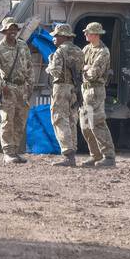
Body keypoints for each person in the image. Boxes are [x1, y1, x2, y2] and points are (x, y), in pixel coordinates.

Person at [0, 17, 32, 164]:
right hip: (8, 89)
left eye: (15, 29)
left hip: (22, 88)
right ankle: (8, 152)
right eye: (9, 29)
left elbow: (29, 67)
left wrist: (30, 85)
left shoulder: (23, 46)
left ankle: (15, 151)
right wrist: (2, 85)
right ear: (4, 31)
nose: (12, 32)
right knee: (7, 120)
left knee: (20, 120)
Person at [45, 23, 84, 166]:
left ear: (62, 37)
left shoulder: (60, 51)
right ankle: (72, 151)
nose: (54, 38)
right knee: (72, 119)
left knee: (59, 119)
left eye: (56, 36)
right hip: (74, 89)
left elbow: (55, 71)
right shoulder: (79, 51)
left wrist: (49, 65)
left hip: (61, 88)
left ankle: (68, 154)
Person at [80, 22, 116, 167]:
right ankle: (95, 155)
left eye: (88, 32)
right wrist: (85, 68)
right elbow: (79, 67)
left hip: (95, 91)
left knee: (97, 123)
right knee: (85, 126)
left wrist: (85, 69)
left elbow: (93, 74)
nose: (85, 34)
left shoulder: (103, 52)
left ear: (95, 34)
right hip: (85, 90)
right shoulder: (87, 49)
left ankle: (109, 156)